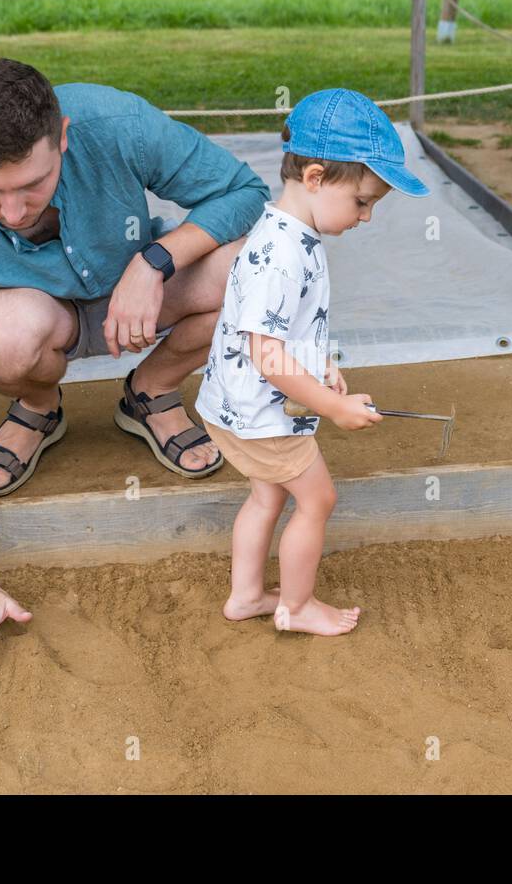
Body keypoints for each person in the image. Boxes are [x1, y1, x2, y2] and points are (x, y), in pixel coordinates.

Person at [0, 57, 270, 670]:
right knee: (5, 340)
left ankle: (151, 389)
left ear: (63, 137)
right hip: (33, 322)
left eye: (32, 185)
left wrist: (155, 262)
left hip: (137, 290)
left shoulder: (115, 120)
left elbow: (245, 192)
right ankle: (38, 406)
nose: (14, 211)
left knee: (259, 271)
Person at [194, 89, 430, 636]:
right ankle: (296, 607)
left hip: (242, 406)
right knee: (319, 498)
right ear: (317, 178)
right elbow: (267, 354)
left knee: (267, 494)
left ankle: (247, 595)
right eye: (363, 201)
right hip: (263, 414)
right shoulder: (280, 254)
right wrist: (335, 407)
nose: (367, 217)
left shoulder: (292, 234)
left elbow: (286, 328)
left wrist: (323, 367)